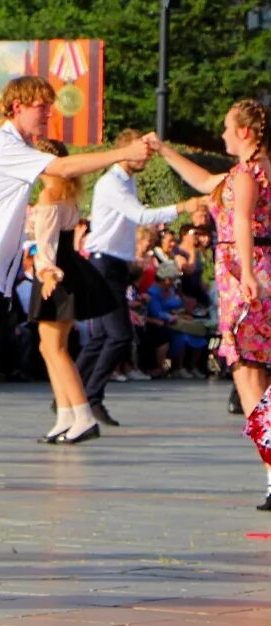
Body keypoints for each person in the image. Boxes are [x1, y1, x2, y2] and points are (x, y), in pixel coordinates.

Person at [0, 77, 153, 492]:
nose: (47, 111)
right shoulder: (6, 146)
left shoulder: (14, 149)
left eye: (48, 105)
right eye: (40, 105)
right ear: (16, 107)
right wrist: (123, 152)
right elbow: (62, 167)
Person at [154, 101, 271, 509]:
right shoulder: (255, 171)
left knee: (247, 370)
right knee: (252, 370)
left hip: (244, 273)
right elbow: (203, 180)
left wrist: (248, 273)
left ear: (244, 132)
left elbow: (241, 220)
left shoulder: (245, 174)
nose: (221, 135)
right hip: (250, 269)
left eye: (226, 127)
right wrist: (166, 151)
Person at [74, 128, 201, 424]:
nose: (146, 155)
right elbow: (141, 216)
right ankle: (89, 397)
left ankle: (71, 396)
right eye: (140, 149)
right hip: (103, 263)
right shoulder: (112, 183)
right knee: (118, 335)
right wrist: (183, 207)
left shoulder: (127, 181)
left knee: (104, 335)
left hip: (115, 263)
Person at [28, 139, 116, 445]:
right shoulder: (66, 193)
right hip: (65, 267)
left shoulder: (50, 195)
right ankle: (66, 415)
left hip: (55, 270)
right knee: (49, 346)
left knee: (55, 348)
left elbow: (46, 240)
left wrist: (47, 272)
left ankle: (83, 415)